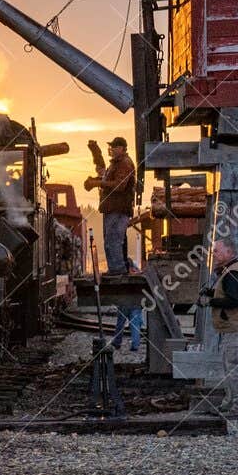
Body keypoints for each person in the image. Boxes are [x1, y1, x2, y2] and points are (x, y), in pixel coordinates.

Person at [86, 136, 141, 349]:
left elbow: (118, 186)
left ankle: (117, 270)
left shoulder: (125, 164)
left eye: (112, 147)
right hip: (111, 209)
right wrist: (95, 152)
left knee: (114, 241)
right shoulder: (115, 164)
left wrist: (96, 183)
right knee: (110, 241)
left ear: (121, 148)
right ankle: (115, 269)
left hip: (118, 209)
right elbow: (102, 172)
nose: (111, 150)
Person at [199, 239, 238, 418]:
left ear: (229, 252)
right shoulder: (234, 270)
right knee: (230, 367)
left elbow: (235, 300)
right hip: (235, 327)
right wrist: (211, 293)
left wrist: (209, 301)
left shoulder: (233, 273)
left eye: (217, 251)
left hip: (237, 328)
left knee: (235, 368)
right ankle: (230, 403)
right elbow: (231, 293)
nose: (213, 254)